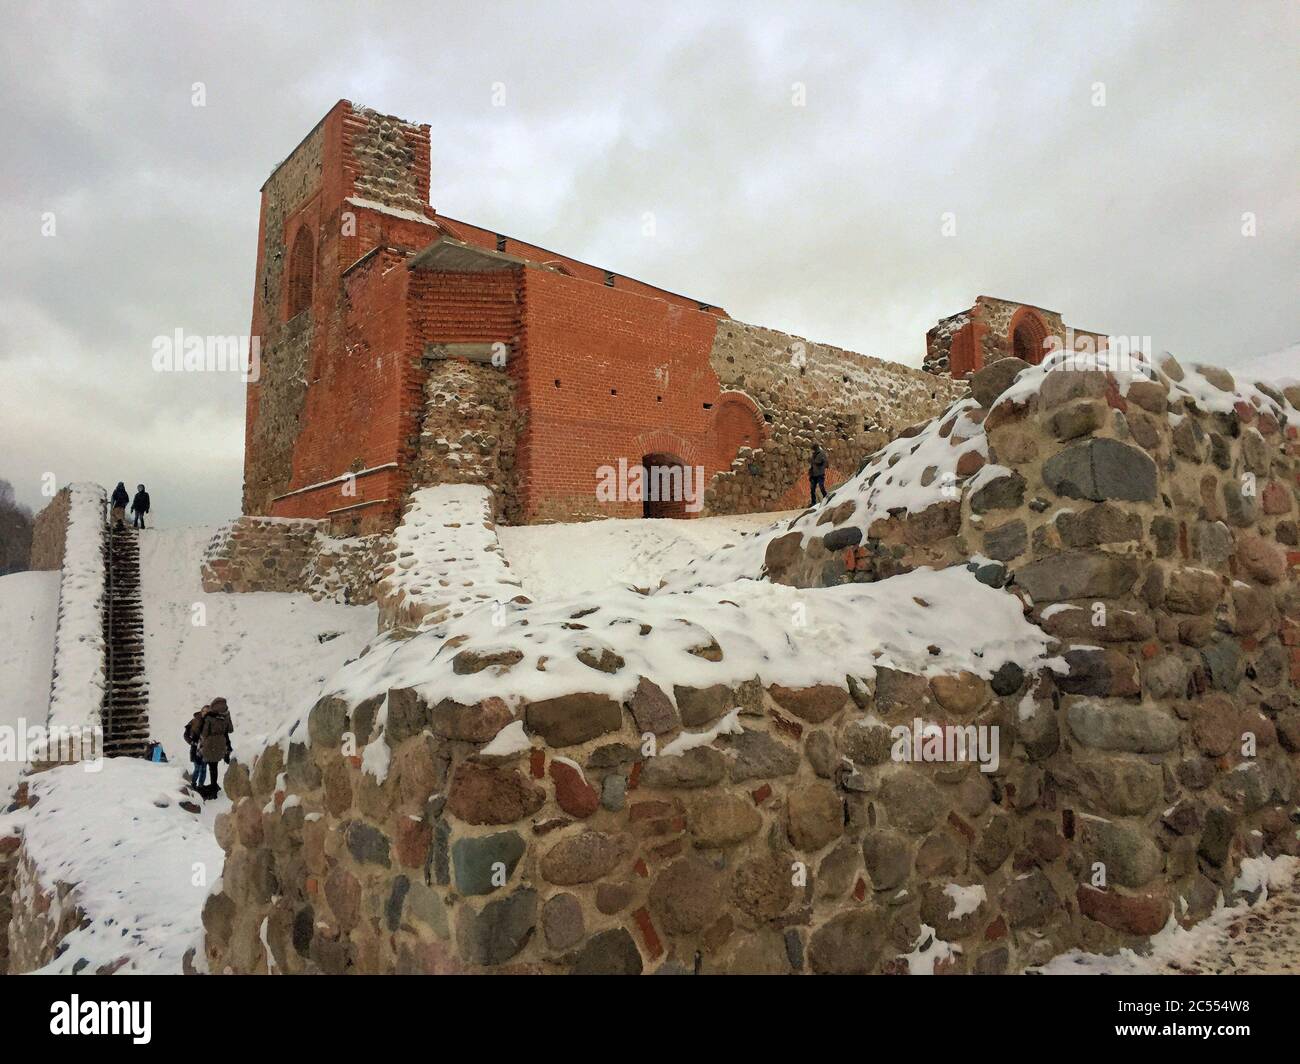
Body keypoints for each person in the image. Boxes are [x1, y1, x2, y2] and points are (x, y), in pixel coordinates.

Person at [198, 697, 233, 794]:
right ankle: (214, 785)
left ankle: (213, 787)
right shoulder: (226, 715)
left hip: (210, 744)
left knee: (211, 766)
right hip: (221, 743)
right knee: (215, 765)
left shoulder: (209, 717)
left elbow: (204, 733)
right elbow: (230, 729)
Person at [184, 705, 209, 787]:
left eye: (207, 711)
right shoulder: (195, 721)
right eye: (204, 711)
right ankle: (193, 785)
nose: (205, 713)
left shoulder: (211, 722)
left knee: (204, 769)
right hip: (196, 749)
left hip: (206, 749)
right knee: (197, 768)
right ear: (201, 711)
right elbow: (186, 734)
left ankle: (201, 786)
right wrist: (191, 742)